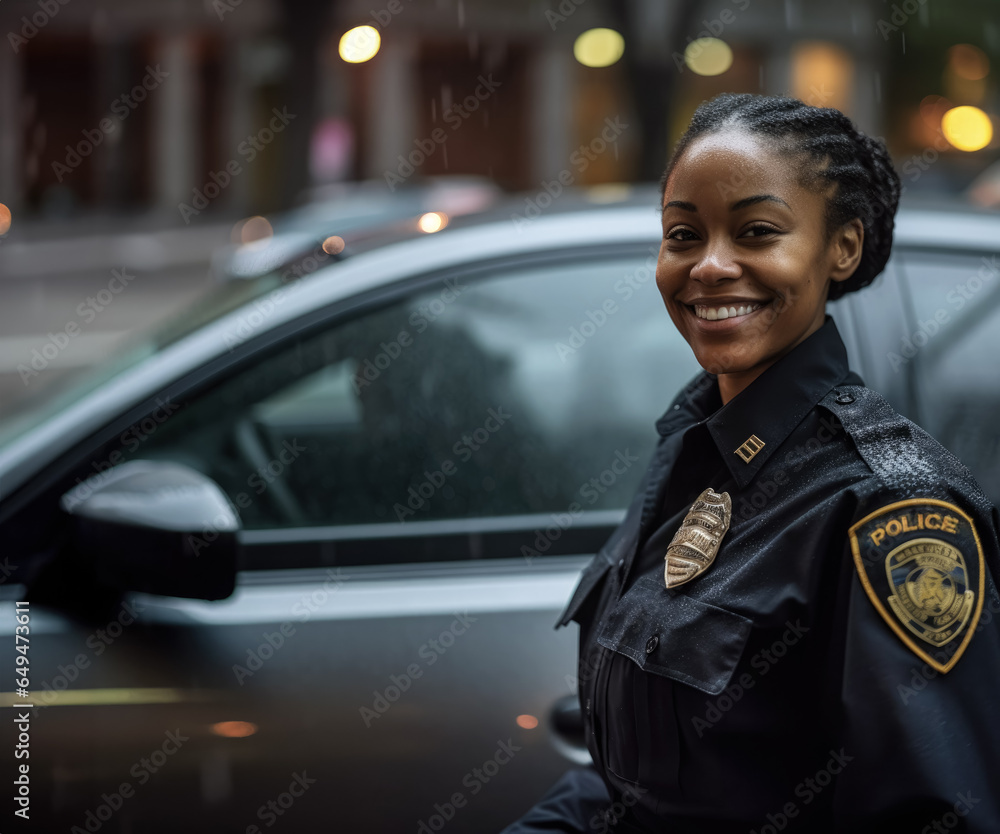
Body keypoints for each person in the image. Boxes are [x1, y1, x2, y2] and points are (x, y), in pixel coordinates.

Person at [501, 93, 1000, 833]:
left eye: (757, 231)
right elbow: (635, 789)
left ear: (843, 248)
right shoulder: (693, 445)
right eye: (682, 234)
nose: (709, 266)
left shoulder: (890, 509)